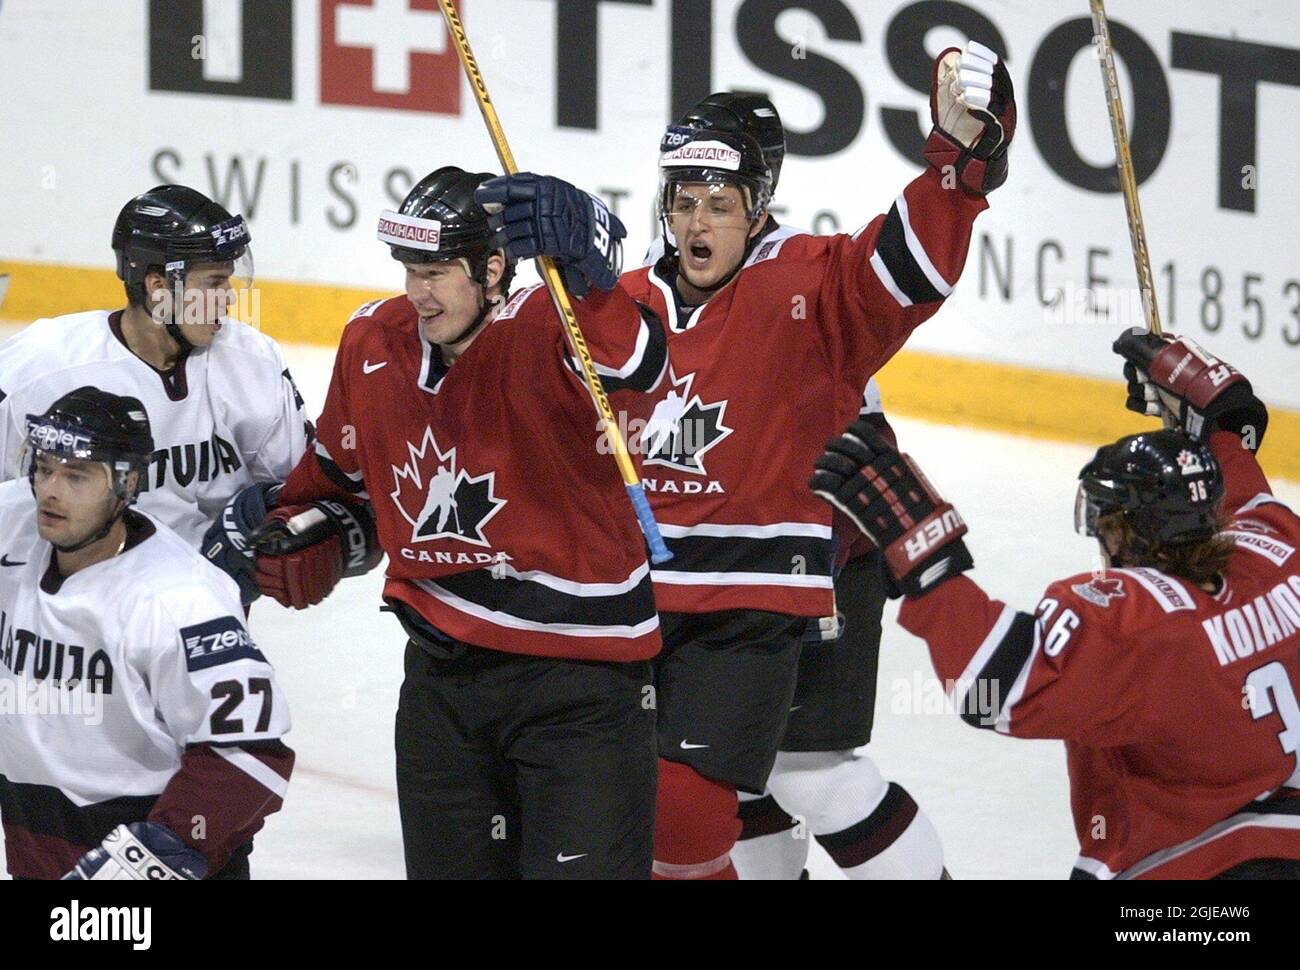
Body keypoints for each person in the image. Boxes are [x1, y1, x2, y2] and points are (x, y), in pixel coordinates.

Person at [620, 42, 1014, 879]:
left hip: (822, 563)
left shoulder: (813, 283)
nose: (695, 223)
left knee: (810, 772)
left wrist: (959, 169)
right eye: (682, 200)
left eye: (718, 203)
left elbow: (906, 268)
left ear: (758, 204)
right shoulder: (630, 304)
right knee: (733, 781)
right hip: (692, 585)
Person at [228, 166, 669, 878]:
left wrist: (590, 276)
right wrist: (311, 528)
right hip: (443, 686)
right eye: (409, 269)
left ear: (493, 268)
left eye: (435, 272)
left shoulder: (552, 327)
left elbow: (642, 365)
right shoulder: (374, 340)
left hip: (581, 688)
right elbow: (341, 486)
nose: (416, 292)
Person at [811, 329, 1300, 879]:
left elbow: (992, 685)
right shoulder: (1279, 548)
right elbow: (1233, 484)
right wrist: (1221, 419)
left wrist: (929, 553)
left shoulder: (1137, 625)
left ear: (1124, 534)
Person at [0, 387, 293, 879]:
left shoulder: (181, 597)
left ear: (127, 483)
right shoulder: (14, 527)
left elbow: (252, 755)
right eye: (45, 467)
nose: (51, 489)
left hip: (143, 856)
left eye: (76, 475)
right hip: (39, 844)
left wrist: (163, 852)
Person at [0, 184, 312, 604]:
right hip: (66, 616)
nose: (229, 299)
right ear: (158, 286)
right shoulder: (42, 365)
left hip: (200, 613)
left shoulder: (251, 361)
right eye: (214, 283)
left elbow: (303, 489)